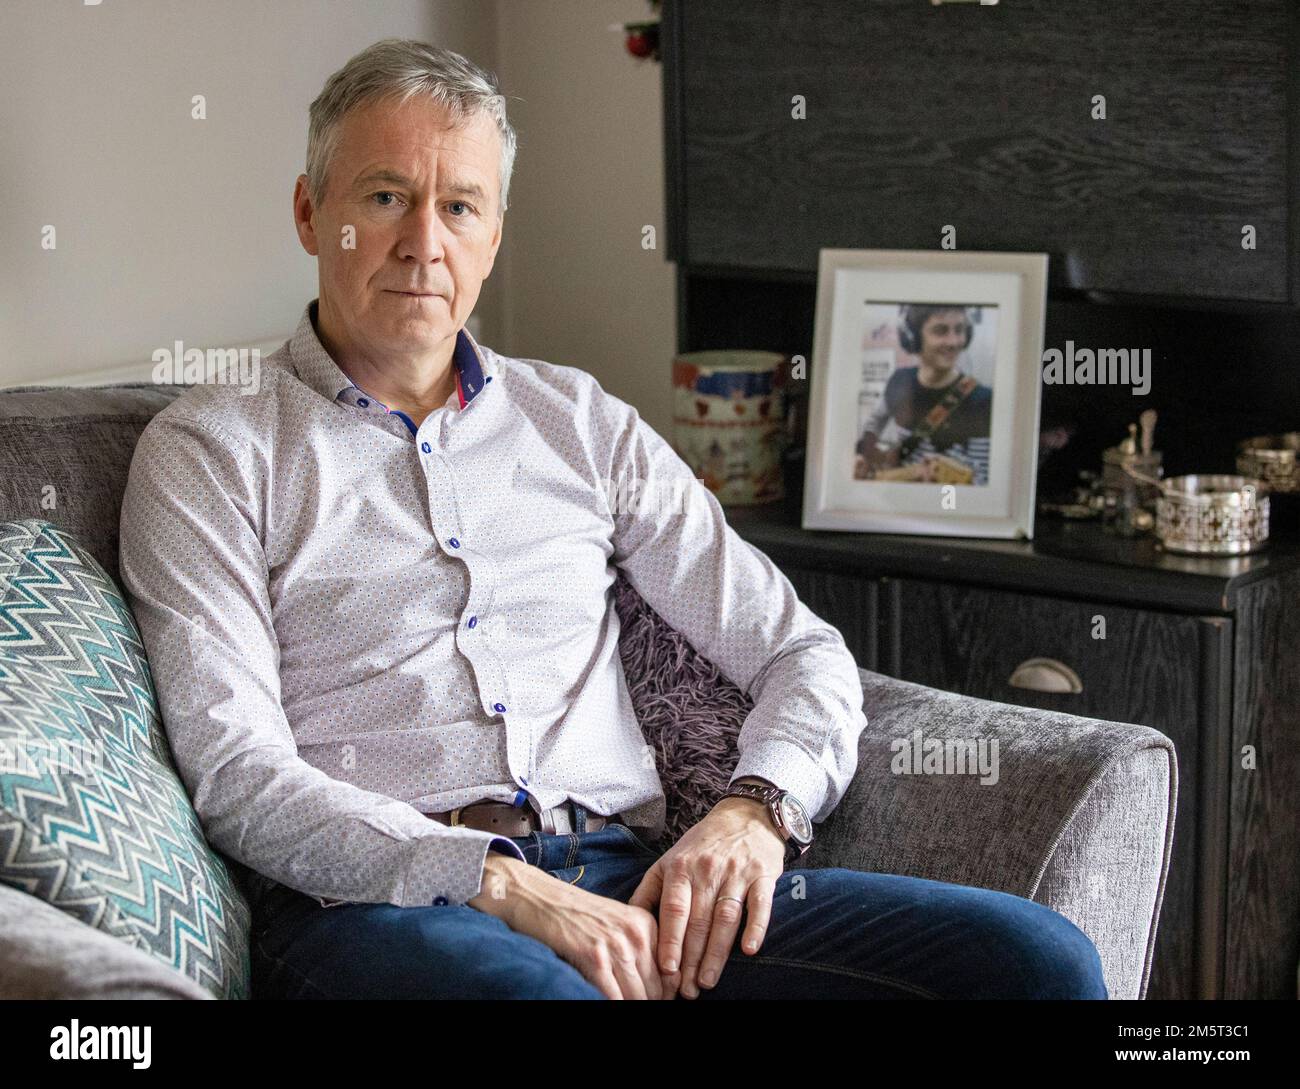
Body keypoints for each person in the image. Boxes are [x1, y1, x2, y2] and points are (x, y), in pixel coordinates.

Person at [118, 39, 1105, 1000]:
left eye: (459, 206)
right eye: (384, 198)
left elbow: (797, 653)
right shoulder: (210, 452)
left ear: (494, 234)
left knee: (1034, 962)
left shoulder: (580, 424)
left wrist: (752, 816)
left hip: (630, 879)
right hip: (379, 904)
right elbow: (238, 775)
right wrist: (497, 880)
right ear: (309, 212)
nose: (424, 241)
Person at [854, 305, 993, 485]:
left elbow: (982, 479)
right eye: (940, 331)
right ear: (914, 338)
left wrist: (950, 476)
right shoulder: (899, 380)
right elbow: (875, 423)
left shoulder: (982, 401)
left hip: (947, 502)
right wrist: (864, 455)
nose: (953, 342)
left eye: (959, 330)